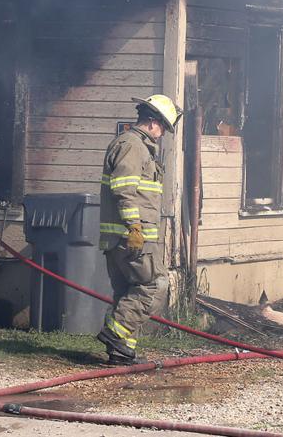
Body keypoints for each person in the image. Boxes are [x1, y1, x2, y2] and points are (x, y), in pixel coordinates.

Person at [96, 94, 182, 364]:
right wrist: (134, 227)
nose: (163, 135)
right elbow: (123, 190)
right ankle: (114, 333)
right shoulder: (133, 146)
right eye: (164, 129)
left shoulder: (133, 145)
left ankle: (121, 351)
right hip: (132, 237)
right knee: (152, 286)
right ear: (154, 123)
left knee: (126, 292)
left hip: (124, 236)